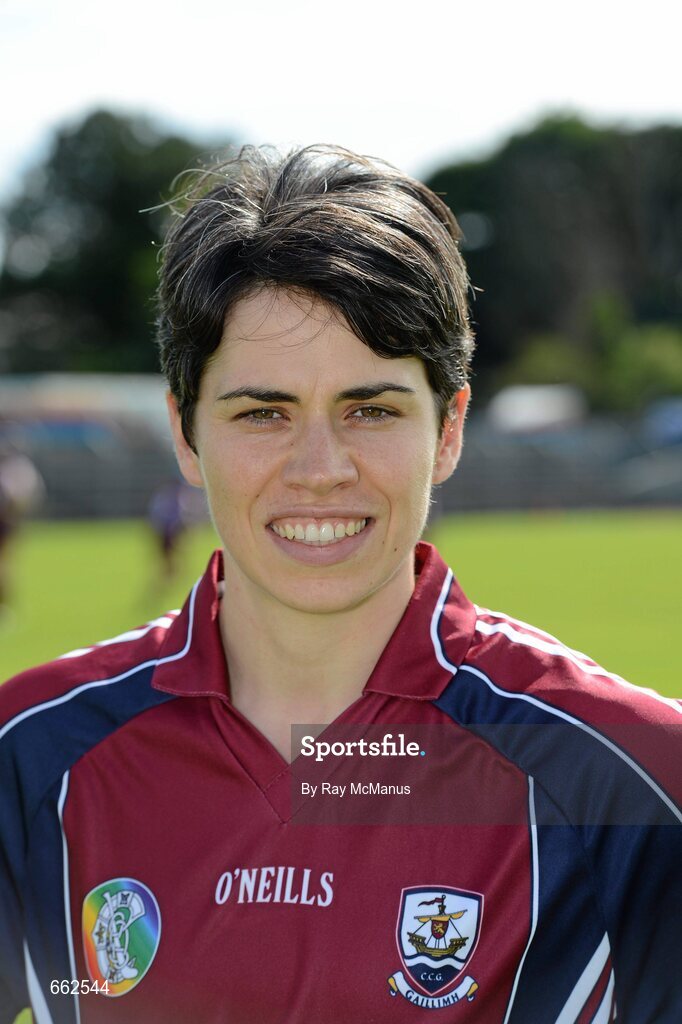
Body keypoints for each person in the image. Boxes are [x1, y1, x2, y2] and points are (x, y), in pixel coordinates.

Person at [0, 145, 679, 1024]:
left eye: (371, 410)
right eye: (263, 413)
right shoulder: (32, 755)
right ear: (185, 432)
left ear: (449, 429)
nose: (320, 469)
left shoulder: (629, 774)